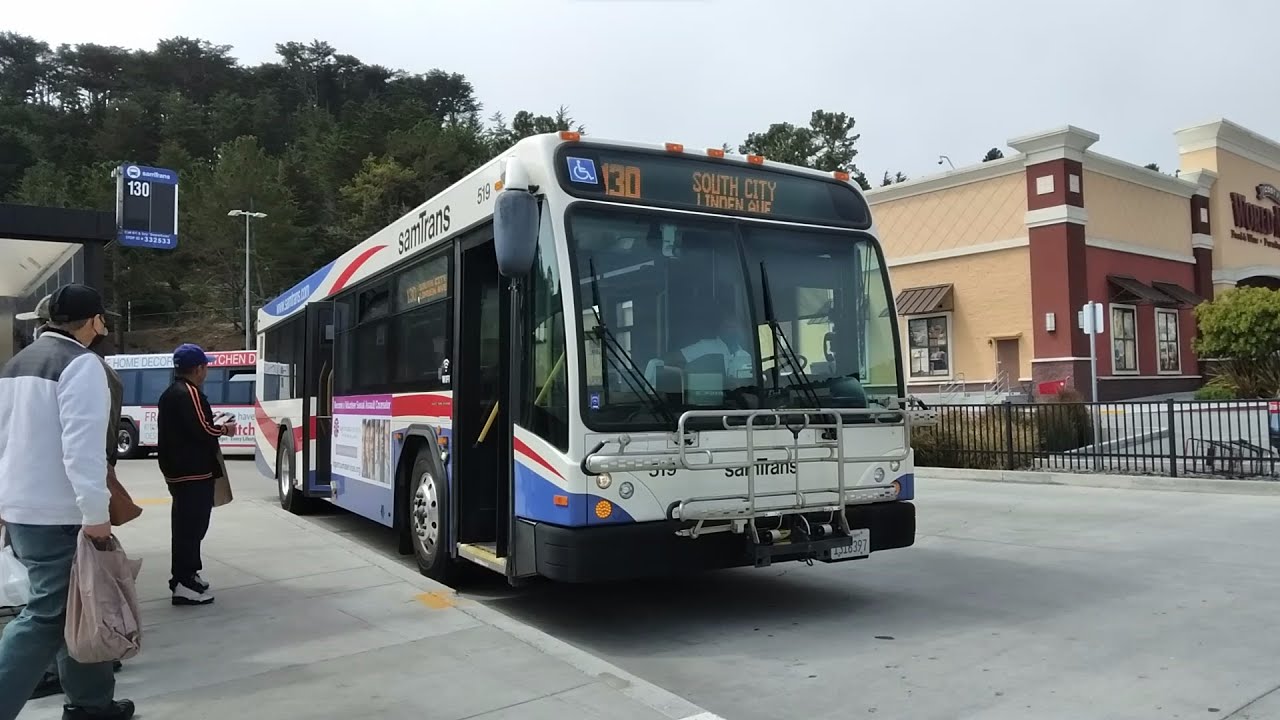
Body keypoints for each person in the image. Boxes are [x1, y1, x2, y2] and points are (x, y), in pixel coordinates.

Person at [0, 283, 135, 720]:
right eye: (102, 319)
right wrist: (96, 517)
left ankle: (92, 705)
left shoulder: (15, 365)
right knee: (46, 617)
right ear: (94, 321)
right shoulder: (81, 365)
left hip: (21, 511)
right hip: (60, 514)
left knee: (81, 607)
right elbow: (84, 449)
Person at [157, 343, 232, 606]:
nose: (207, 370)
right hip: (192, 472)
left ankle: (188, 574)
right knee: (192, 527)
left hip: (181, 471)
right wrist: (225, 429)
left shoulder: (172, 392)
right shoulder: (189, 393)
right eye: (206, 365)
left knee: (187, 526)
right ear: (198, 368)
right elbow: (203, 428)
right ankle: (183, 582)